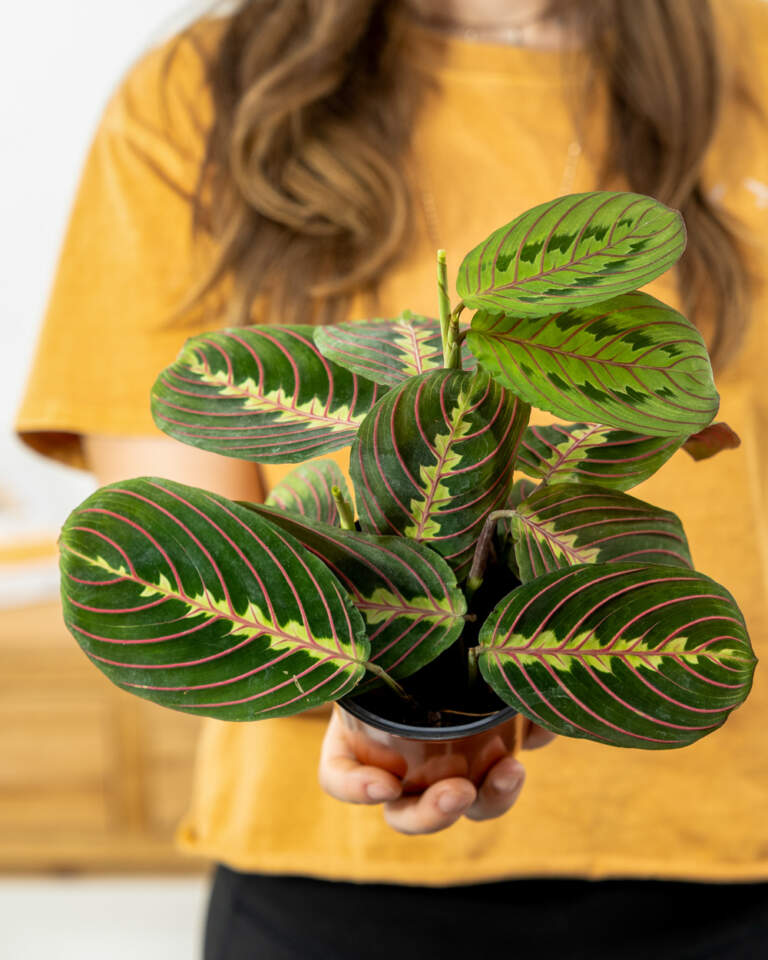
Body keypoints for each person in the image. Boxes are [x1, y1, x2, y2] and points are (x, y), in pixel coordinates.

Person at [16, 0, 768, 956]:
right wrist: (395, 690)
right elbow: (172, 547)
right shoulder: (198, 98)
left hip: (732, 861)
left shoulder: (752, 53)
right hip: (332, 885)